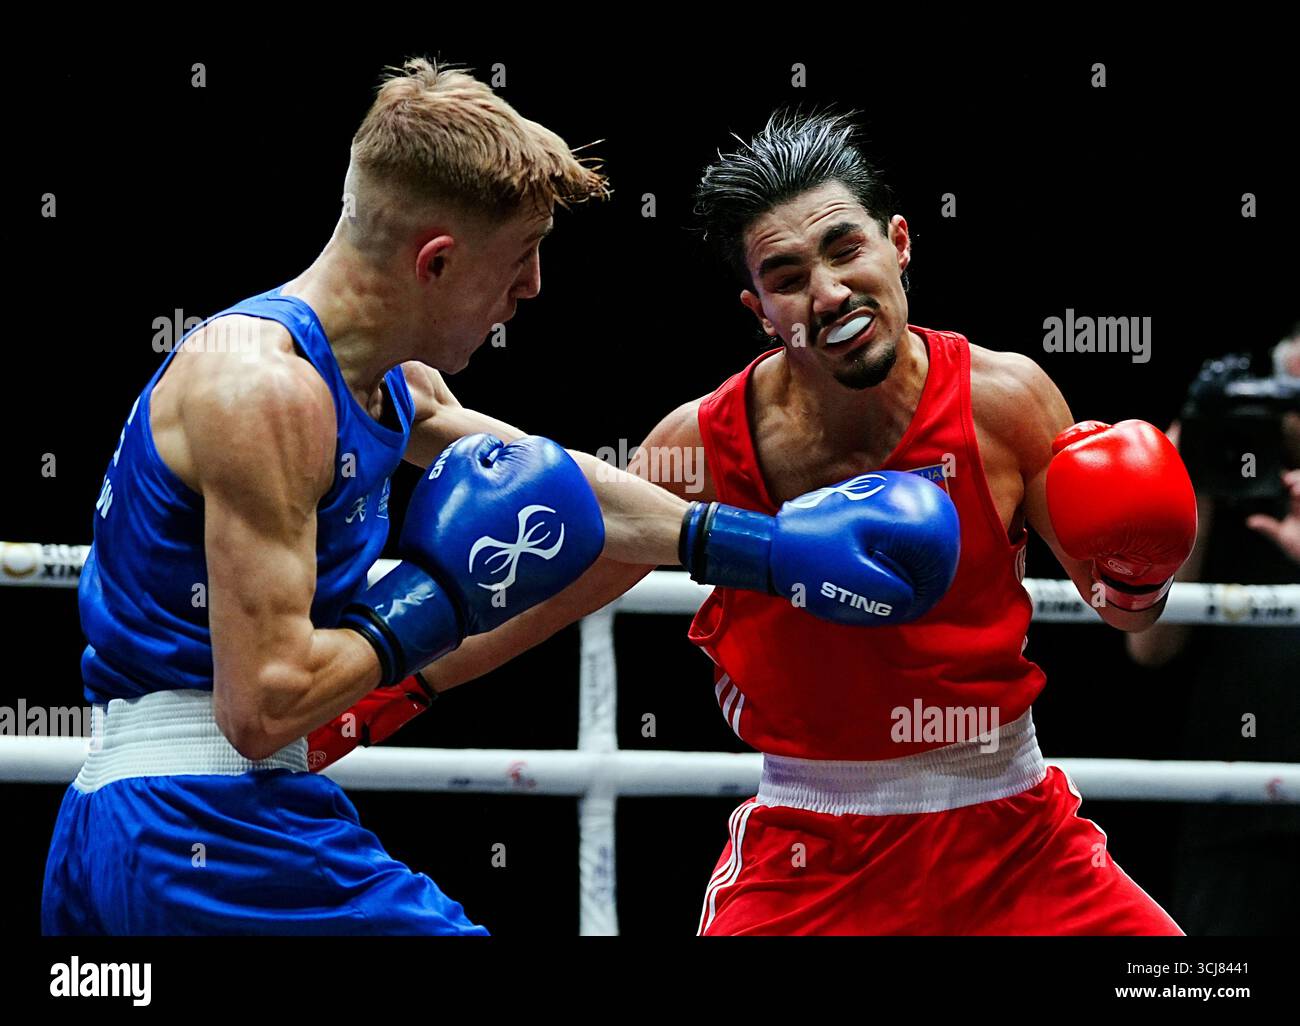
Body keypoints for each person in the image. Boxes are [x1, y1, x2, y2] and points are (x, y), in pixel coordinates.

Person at [43, 62, 957, 936]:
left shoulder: (386, 385)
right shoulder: (265, 392)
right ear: (436, 261)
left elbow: (562, 486)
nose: (531, 286)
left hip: (149, 824)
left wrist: (764, 551)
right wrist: (435, 600)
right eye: (519, 257)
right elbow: (265, 707)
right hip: (202, 824)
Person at [335, 109, 1200, 935]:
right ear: (760, 312)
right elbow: (554, 584)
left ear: (898, 246)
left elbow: (1127, 610)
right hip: (811, 855)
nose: (827, 292)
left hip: (1018, 838)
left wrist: (1142, 572)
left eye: (845, 249)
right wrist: (395, 679)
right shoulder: (705, 446)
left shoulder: (1003, 404)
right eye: (787, 277)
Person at [1126, 334, 1300, 935]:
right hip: (1230, 815)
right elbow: (1149, 647)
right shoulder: (1221, 490)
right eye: (1289, 400)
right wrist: (1184, 487)